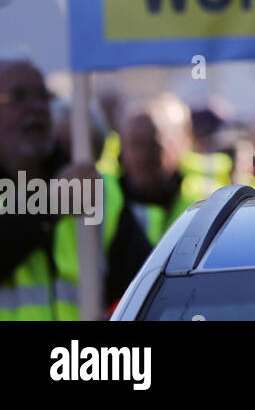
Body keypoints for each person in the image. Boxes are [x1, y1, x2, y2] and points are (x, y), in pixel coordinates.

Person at [0, 59, 151, 319]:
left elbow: (145, 282)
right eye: (19, 97)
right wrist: (47, 207)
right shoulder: (67, 194)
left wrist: (119, 315)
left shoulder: (98, 191)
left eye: (43, 96)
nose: (35, 107)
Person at [118, 93, 217, 246]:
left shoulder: (208, 198)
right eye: (135, 143)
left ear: (179, 145)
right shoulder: (105, 195)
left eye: (154, 144)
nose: (143, 155)